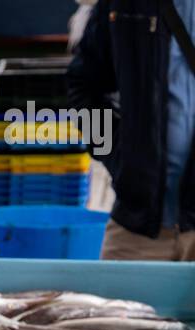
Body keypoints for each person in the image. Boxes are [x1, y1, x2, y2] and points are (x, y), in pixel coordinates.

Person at [68, 0, 195, 261]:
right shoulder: (123, 5)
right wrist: (118, 158)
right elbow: (84, 87)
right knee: (111, 302)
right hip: (137, 225)